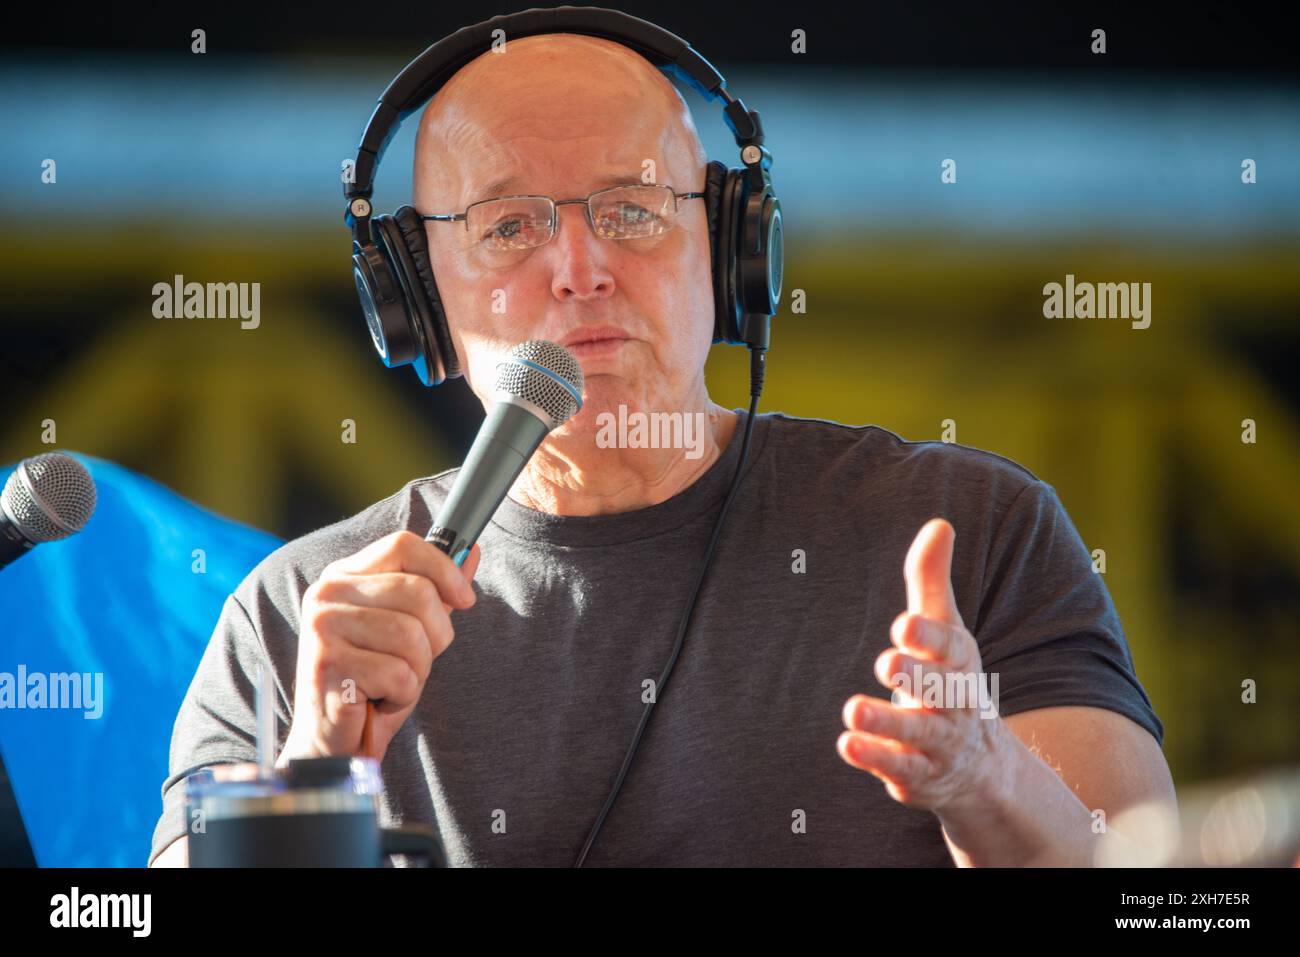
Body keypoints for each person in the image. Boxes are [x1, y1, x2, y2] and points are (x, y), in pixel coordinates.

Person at [151, 32, 1174, 867]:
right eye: (509, 228)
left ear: (731, 253)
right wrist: (315, 775)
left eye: (632, 210)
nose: (580, 270)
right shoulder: (296, 618)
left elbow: (1158, 895)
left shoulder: (968, 529)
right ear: (415, 298)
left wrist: (981, 777)